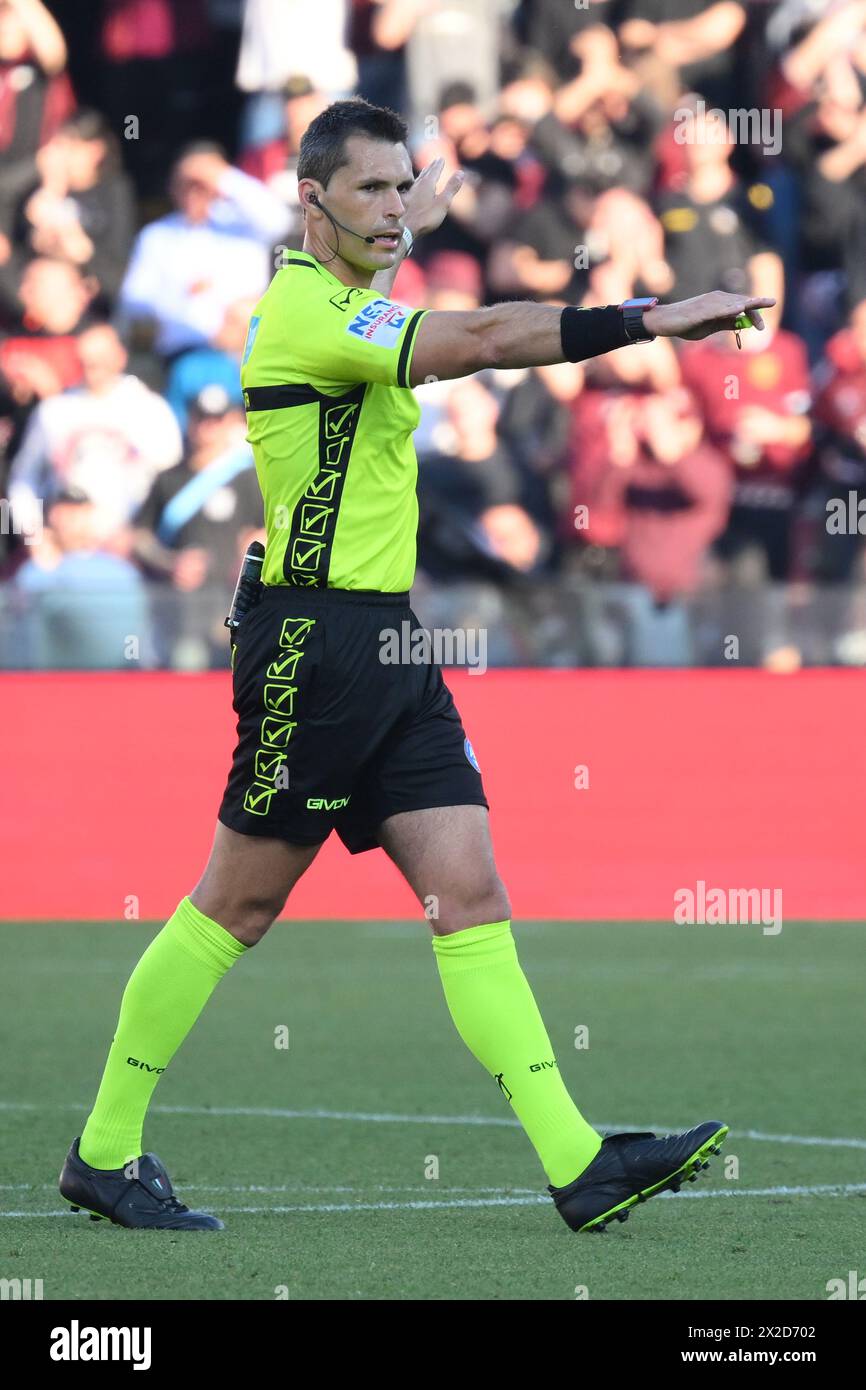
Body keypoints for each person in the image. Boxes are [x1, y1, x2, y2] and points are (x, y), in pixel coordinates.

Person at [59, 98, 773, 1235]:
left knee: (470, 893)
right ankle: (103, 1151)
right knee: (234, 907)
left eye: (403, 189)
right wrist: (651, 315)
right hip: (314, 644)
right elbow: (483, 341)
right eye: (371, 191)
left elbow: (418, 238)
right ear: (310, 202)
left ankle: (576, 1160)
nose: (394, 210)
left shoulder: (355, 289)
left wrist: (439, 178)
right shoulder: (305, 312)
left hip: (388, 641)